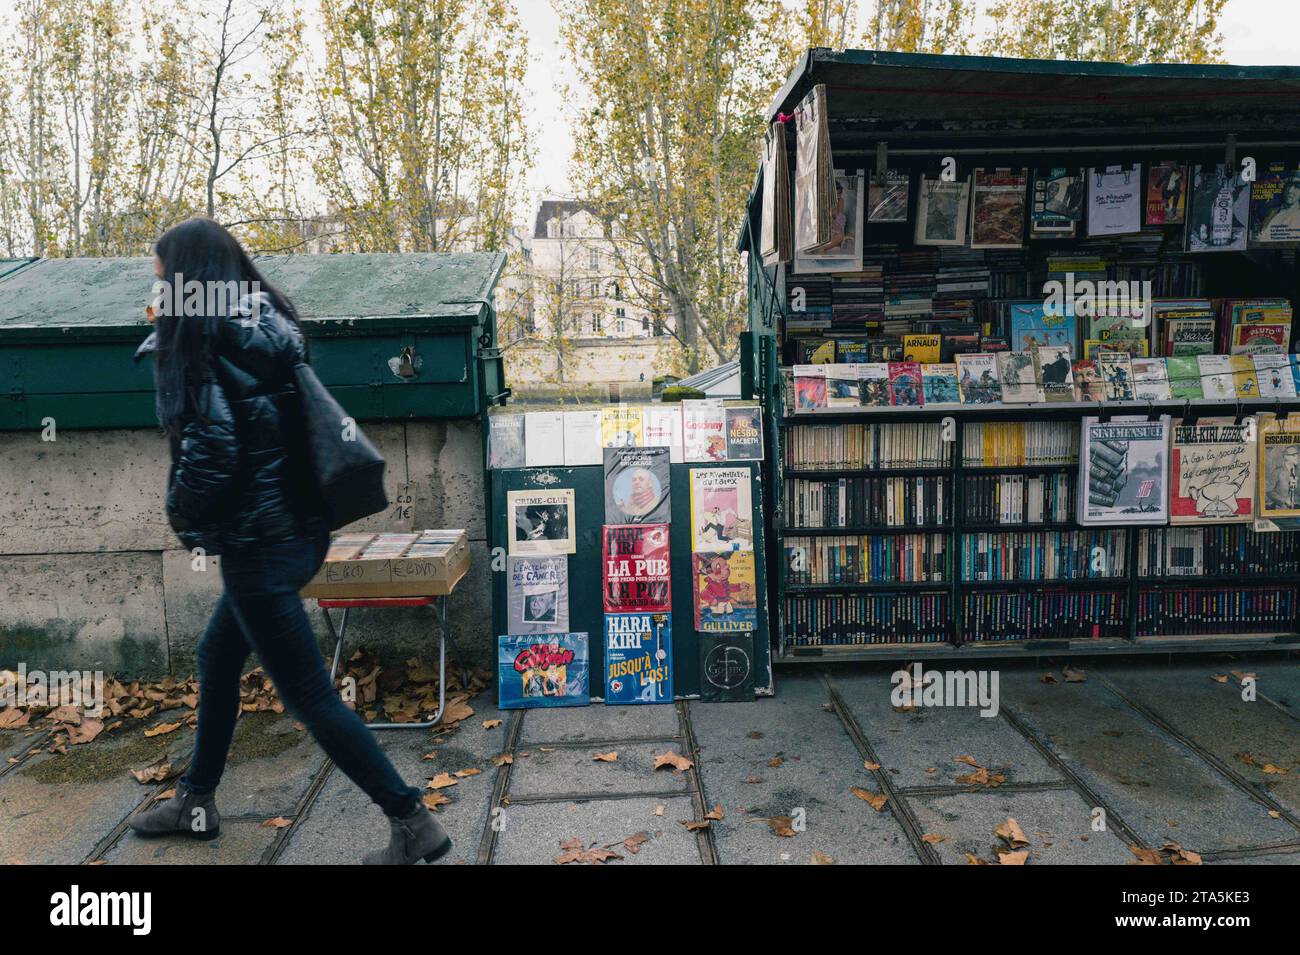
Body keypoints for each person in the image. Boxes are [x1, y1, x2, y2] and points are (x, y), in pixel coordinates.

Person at [127, 217, 448, 865]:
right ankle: (196, 798)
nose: (153, 276)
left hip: (257, 545)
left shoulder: (200, 338)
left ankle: (411, 818)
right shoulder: (264, 324)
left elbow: (212, 451)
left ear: (187, 273)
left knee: (309, 693)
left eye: (159, 266)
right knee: (219, 654)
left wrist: (184, 514)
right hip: (296, 528)